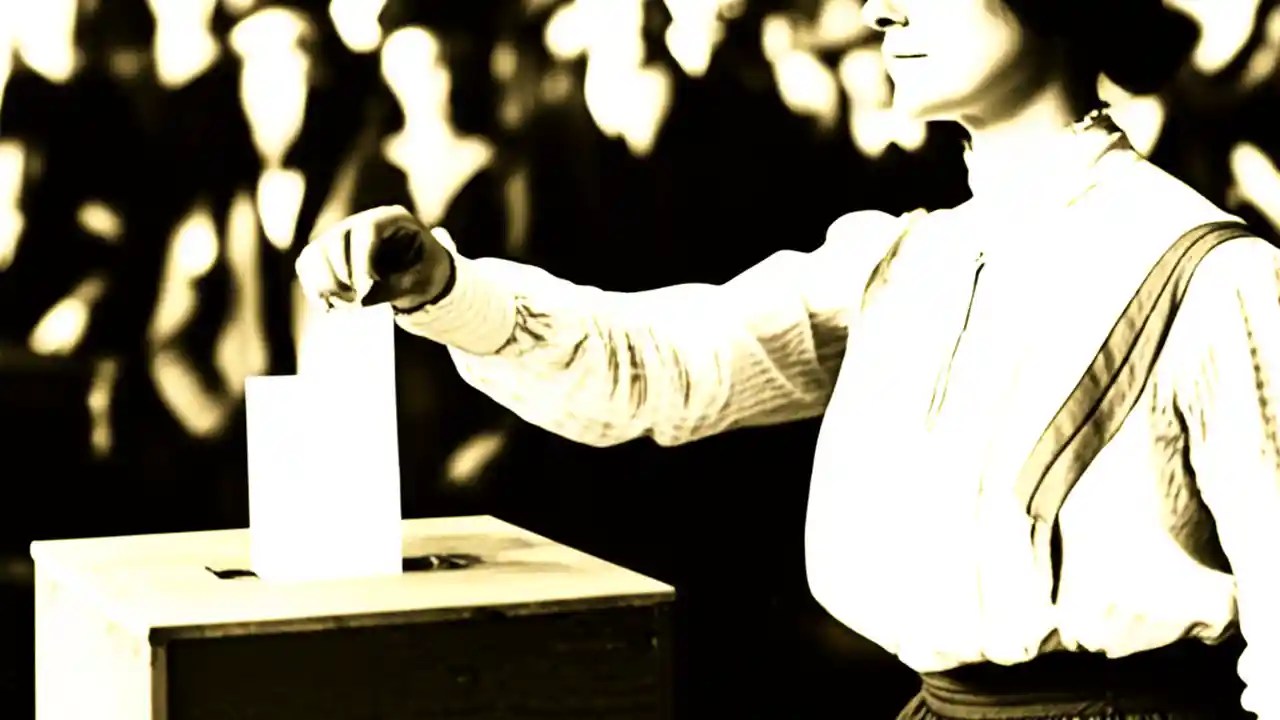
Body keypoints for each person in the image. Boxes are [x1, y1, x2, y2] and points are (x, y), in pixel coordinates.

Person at [295, 1, 1280, 718]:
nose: (876, 8)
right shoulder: (899, 259)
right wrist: (442, 288)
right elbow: (664, 369)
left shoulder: (1213, 276)